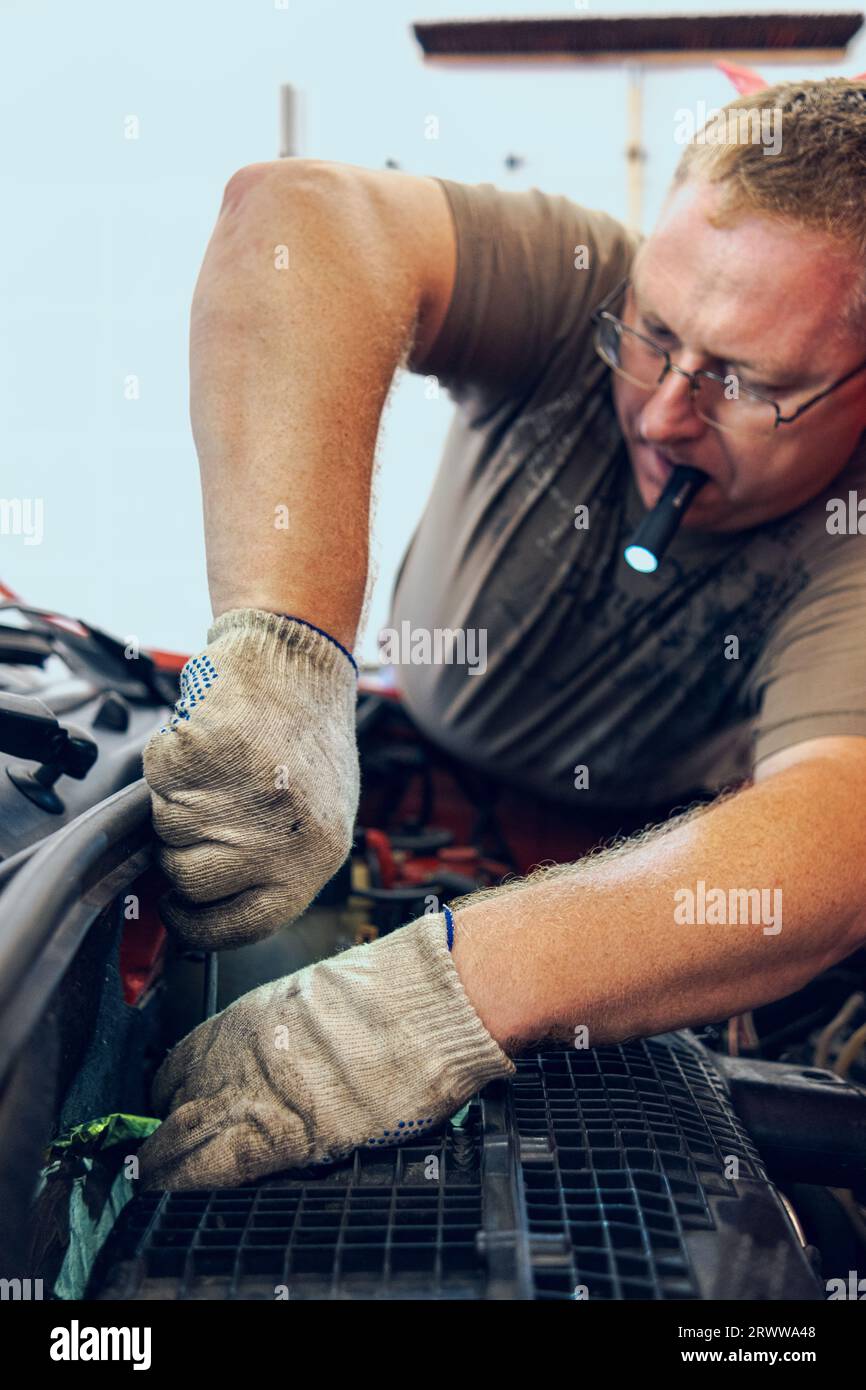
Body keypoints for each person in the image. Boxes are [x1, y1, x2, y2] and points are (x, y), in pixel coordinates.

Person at [138, 78, 866, 1190]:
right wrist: (283, 655)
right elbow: (290, 217)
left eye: (742, 381)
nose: (664, 410)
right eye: (654, 334)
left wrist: (437, 997)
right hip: (395, 752)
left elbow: (836, 836)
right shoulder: (576, 276)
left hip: (660, 872)